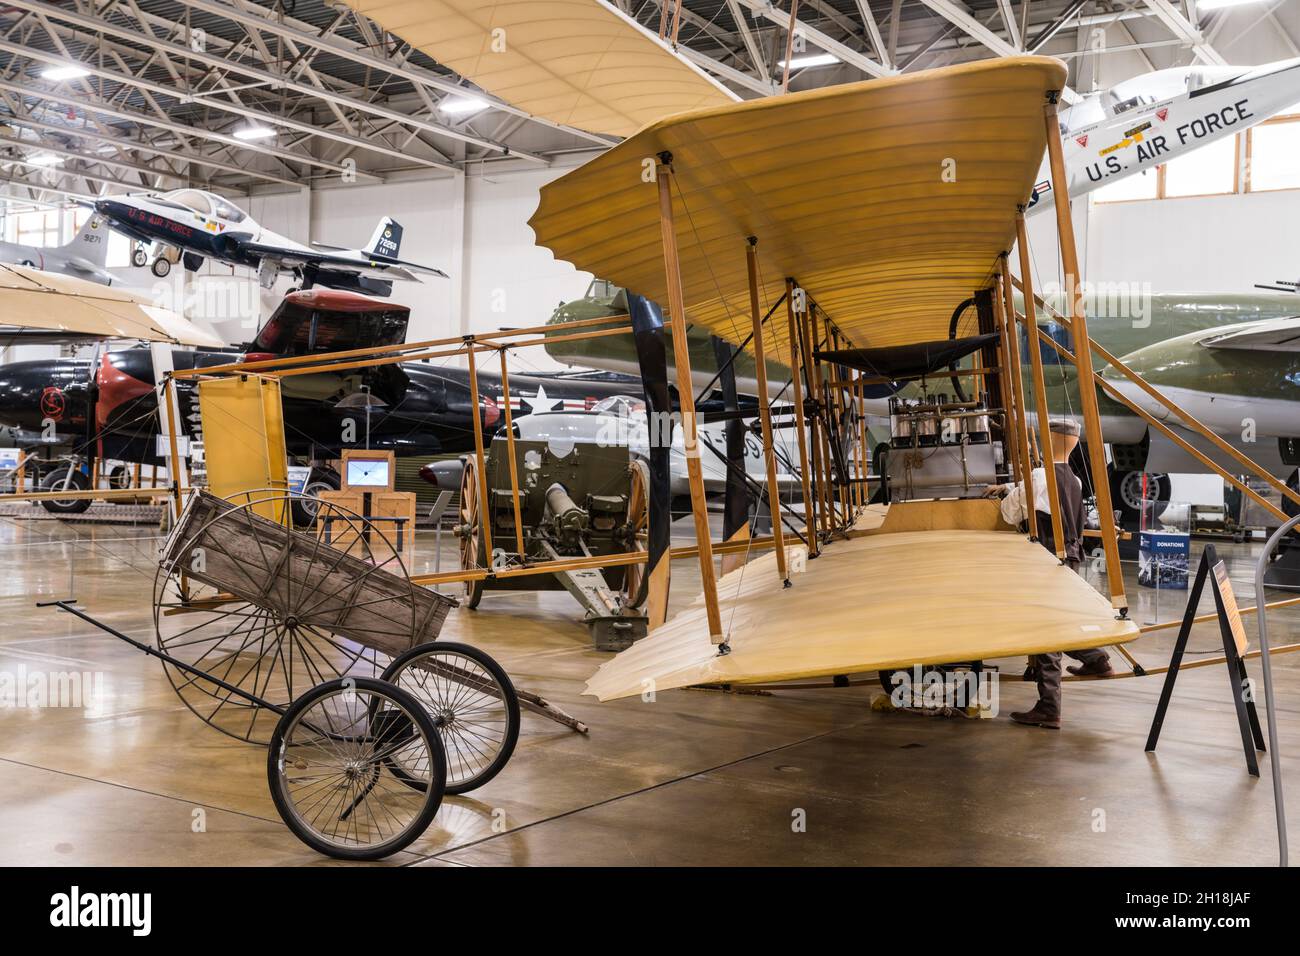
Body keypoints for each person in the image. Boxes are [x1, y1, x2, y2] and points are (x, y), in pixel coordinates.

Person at [984, 418, 1113, 729]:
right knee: (1057, 622)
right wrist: (1013, 486)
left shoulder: (1039, 475)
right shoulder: (1076, 481)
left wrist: (1005, 494)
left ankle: (1049, 706)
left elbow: (1010, 513)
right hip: (1070, 559)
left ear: (1048, 441)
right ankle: (1096, 658)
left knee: (1045, 632)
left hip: (1043, 562)